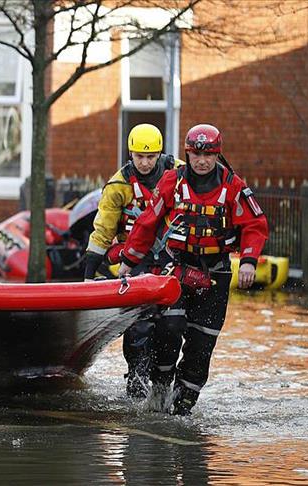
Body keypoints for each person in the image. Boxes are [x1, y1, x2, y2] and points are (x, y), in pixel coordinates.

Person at [118, 124, 268, 415]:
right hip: (177, 267)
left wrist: (249, 261)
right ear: (187, 154)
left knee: (202, 342)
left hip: (216, 273)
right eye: (196, 155)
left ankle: (184, 402)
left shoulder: (233, 186)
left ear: (217, 155)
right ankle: (160, 386)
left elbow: (254, 224)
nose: (201, 161)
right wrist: (129, 260)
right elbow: (147, 222)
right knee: (169, 327)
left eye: (208, 155)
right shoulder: (172, 181)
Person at [83, 123, 180, 400]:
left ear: (160, 154)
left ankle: (164, 381)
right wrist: (89, 275)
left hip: (172, 256)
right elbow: (102, 231)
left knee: (172, 323)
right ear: (130, 154)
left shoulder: (179, 173)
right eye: (140, 157)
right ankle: (136, 378)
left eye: (151, 157)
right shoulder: (118, 186)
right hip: (135, 258)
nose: (145, 163)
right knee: (138, 324)